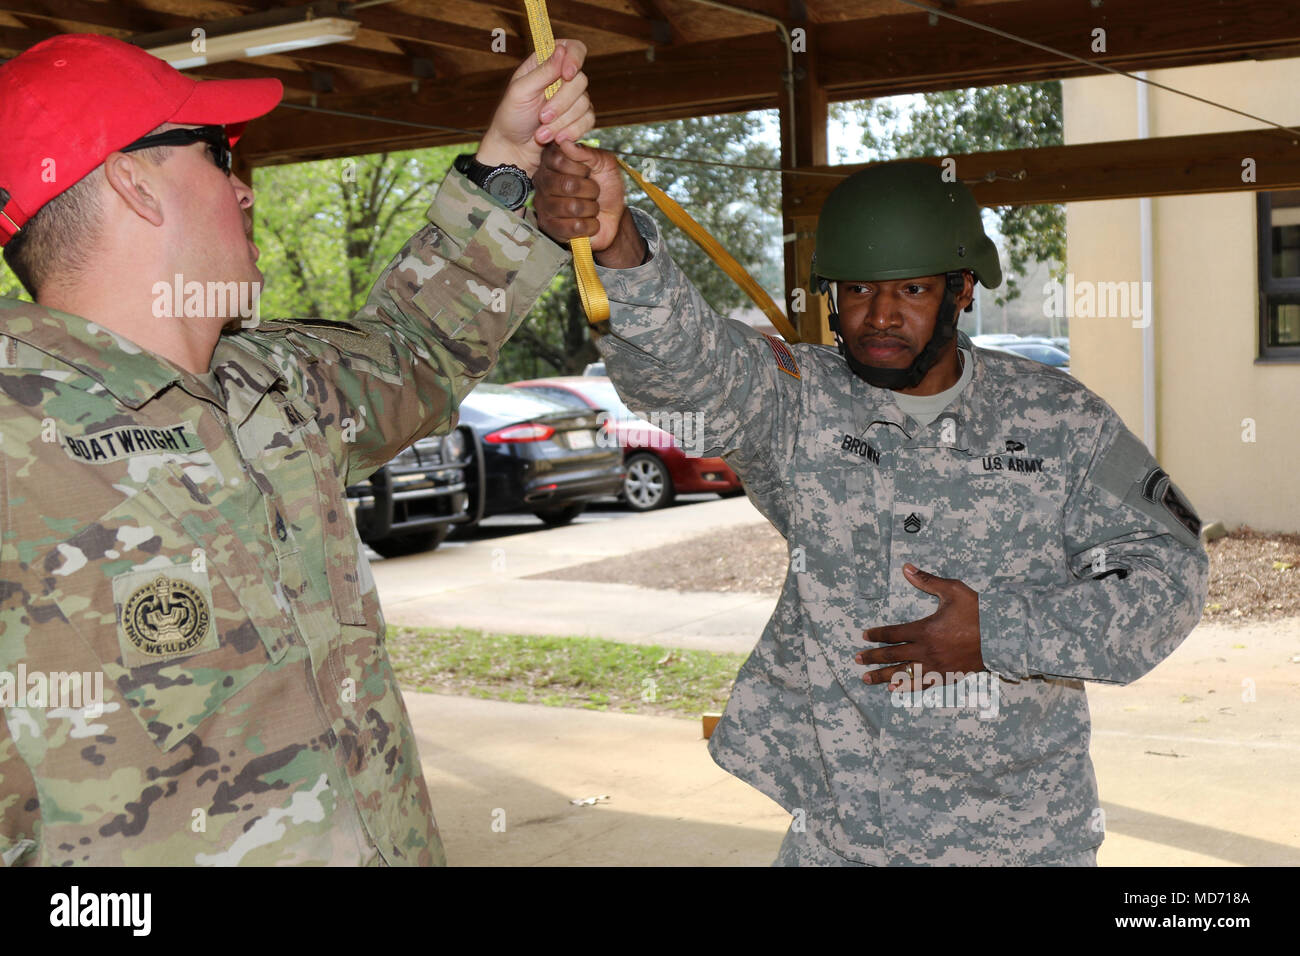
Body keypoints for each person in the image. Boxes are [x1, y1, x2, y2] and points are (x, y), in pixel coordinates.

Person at [0, 33, 592, 866]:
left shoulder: (271, 384)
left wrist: (509, 161)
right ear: (130, 182)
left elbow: (419, 349)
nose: (243, 192)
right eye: (218, 155)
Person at [533, 140, 1210, 866]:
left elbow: (1170, 580)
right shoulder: (801, 402)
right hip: (843, 840)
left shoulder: (1061, 420)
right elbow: (692, 368)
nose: (879, 316)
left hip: (1020, 842)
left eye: (912, 291)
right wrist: (619, 245)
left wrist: (998, 632)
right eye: (857, 290)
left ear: (963, 289)